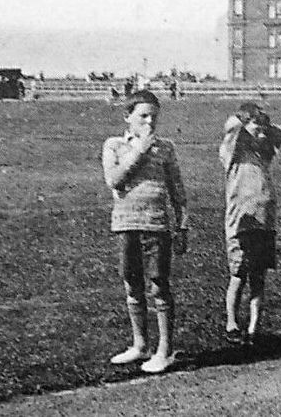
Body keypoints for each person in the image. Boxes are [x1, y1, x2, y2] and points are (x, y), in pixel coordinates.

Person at [102, 90, 187, 374]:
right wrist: (139, 150)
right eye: (143, 116)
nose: (150, 122)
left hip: (156, 223)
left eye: (154, 117)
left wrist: (182, 224)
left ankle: (165, 350)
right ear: (128, 117)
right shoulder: (114, 145)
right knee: (131, 282)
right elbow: (114, 180)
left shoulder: (165, 148)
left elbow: (177, 190)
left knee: (159, 284)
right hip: (126, 223)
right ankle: (140, 345)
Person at [218, 102, 281, 346]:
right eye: (255, 127)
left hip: (263, 221)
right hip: (240, 223)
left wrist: (261, 125)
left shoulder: (262, 153)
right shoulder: (233, 153)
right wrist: (247, 119)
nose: (261, 132)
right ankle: (232, 323)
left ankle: (254, 328)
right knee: (238, 275)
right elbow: (232, 128)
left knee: (259, 278)